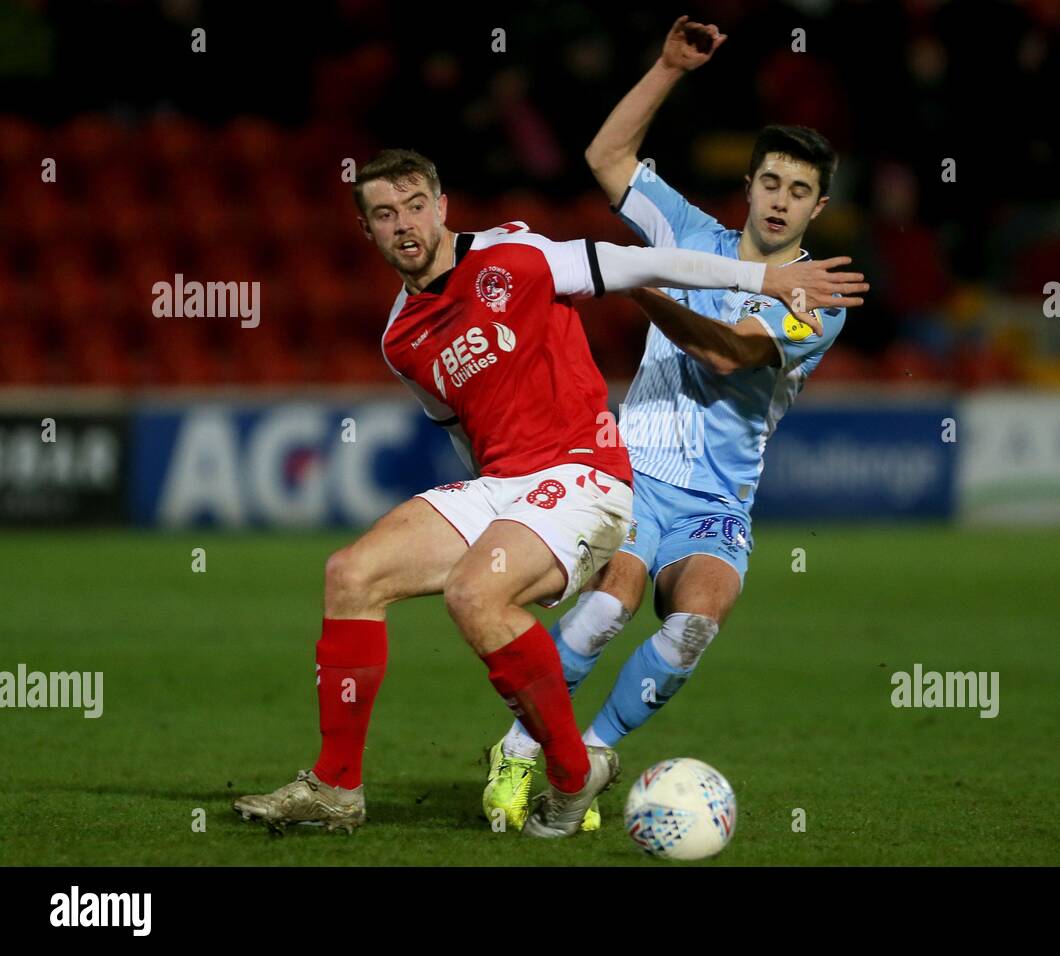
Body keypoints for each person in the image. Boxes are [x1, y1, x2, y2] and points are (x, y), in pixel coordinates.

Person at [234, 147, 866, 838]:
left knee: (476, 592)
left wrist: (764, 278)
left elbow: (646, 265)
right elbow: (460, 434)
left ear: (442, 207)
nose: (405, 225)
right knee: (351, 574)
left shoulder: (520, 253)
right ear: (368, 231)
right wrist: (498, 522)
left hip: (585, 475)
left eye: (417, 206)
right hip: (504, 484)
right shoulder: (400, 337)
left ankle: (566, 770)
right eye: (385, 215)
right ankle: (336, 787)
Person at [484, 17, 865, 831]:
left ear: (818, 206)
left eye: (799, 190)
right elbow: (606, 162)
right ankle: (521, 753)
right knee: (610, 606)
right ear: (751, 183)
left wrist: (637, 282)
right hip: (630, 478)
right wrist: (664, 67)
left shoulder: (816, 298)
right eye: (770, 181)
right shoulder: (692, 236)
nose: (779, 199)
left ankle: (582, 762)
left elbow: (729, 356)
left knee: (695, 623)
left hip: (717, 506)